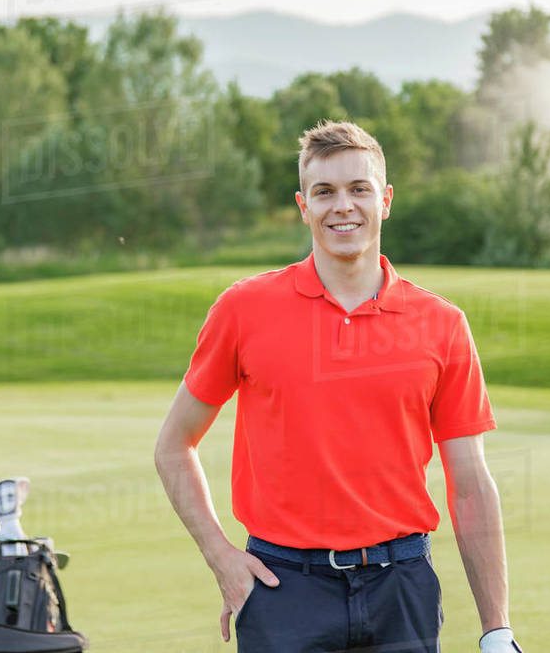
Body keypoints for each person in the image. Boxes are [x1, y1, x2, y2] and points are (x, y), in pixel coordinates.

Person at [155, 121, 523, 652]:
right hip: (283, 588)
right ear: (303, 205)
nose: (342, 206)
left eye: (359, 189)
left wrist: (496, 628)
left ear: (386, 200)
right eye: (324, 192)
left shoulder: (442, 324)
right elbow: (173, 445)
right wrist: (222, 558)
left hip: (403, 586)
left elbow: (469, 482)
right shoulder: (243, 309)